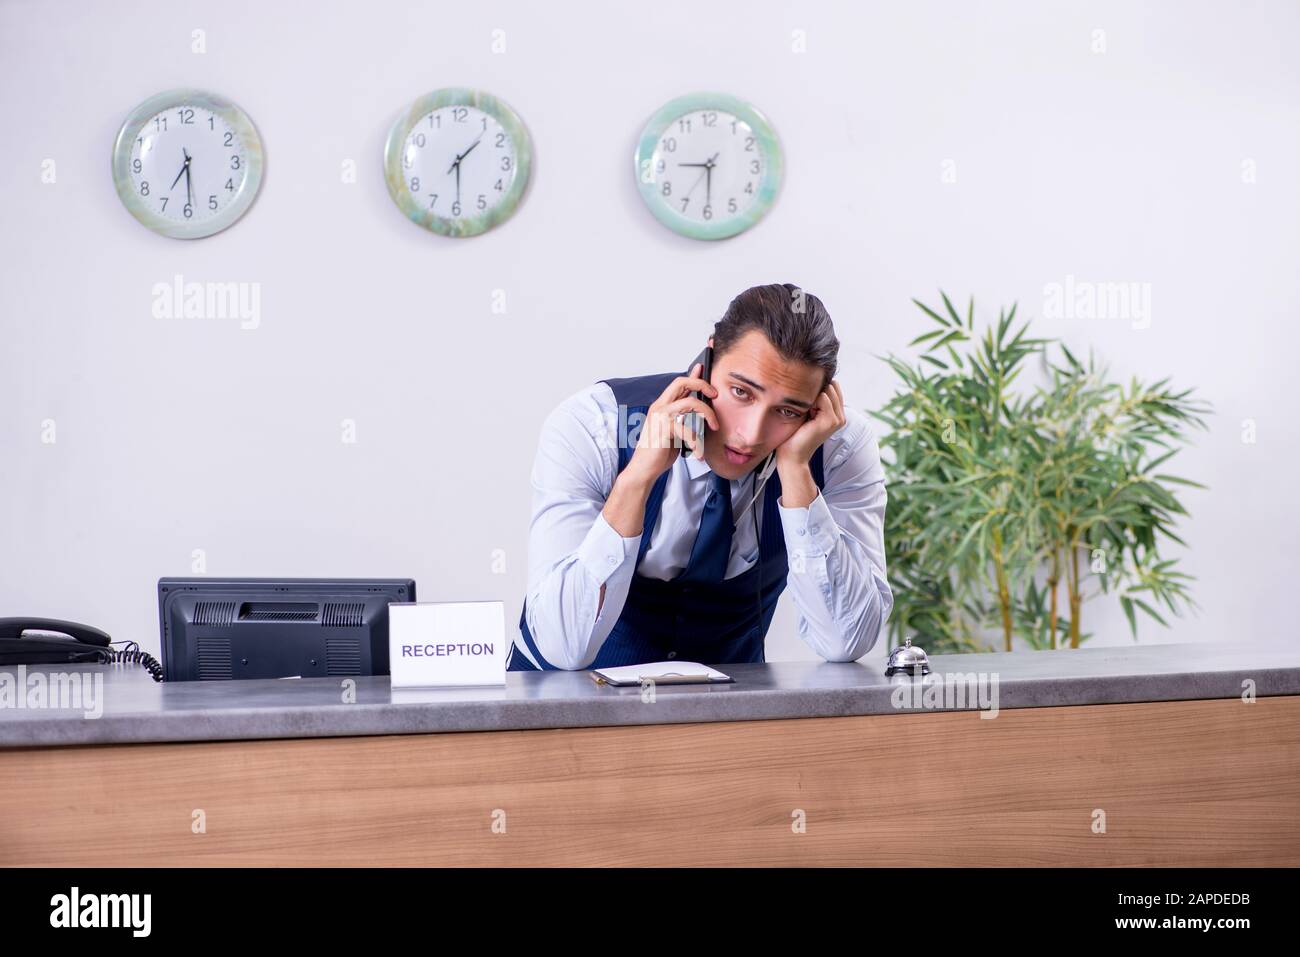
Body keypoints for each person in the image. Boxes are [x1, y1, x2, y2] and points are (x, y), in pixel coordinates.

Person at [507, 282, 892, 671]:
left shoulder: (836, 448)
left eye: (788, 411)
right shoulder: (595, 426)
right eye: (742, 392)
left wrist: (796, 474)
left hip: (723, 717)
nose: (751, 433)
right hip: (557, 710)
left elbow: (847, 640)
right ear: (708, 358)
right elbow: (562, 646)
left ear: (817, 406)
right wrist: (637, 478)